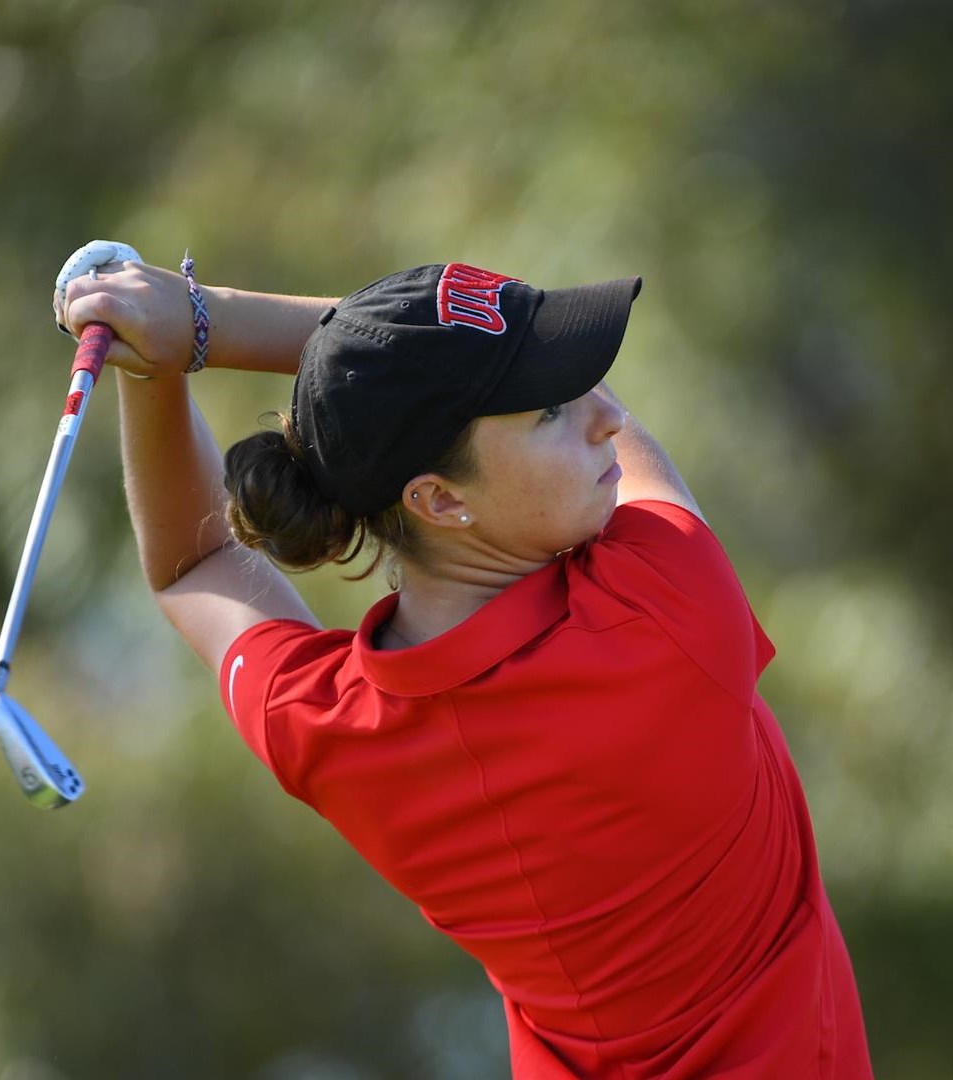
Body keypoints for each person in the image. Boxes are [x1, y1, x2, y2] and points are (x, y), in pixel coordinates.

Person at [55, 250, 872, 1078]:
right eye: (551, 409)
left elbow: (194, 569)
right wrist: (201, 325)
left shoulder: (330, 727)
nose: (609, 416)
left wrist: (148, 366)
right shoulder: (667, 616)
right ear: (439, 499)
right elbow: (628, 458)